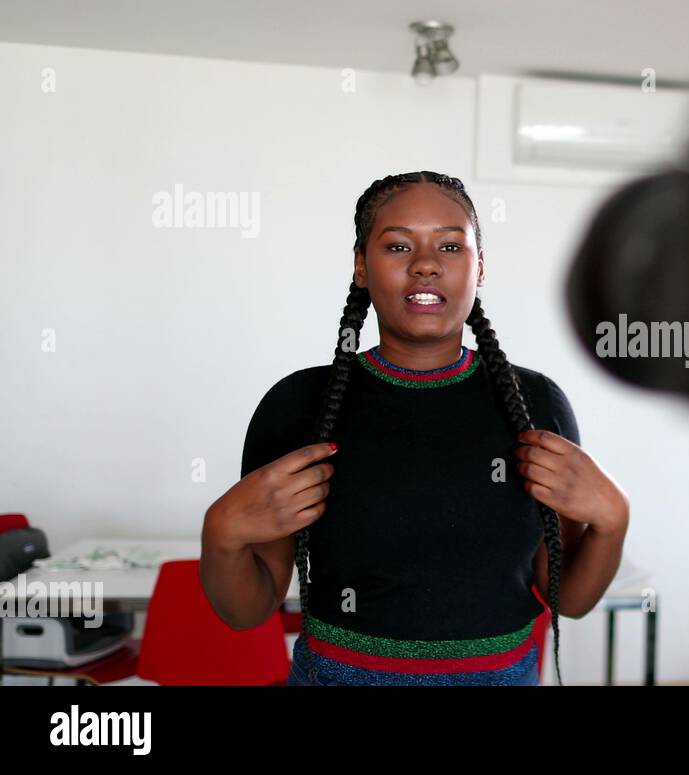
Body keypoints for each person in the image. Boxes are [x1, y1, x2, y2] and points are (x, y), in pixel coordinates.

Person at [200, 171, 630, 685]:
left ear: (480, 267)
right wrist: (221, 533)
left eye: (450, 245)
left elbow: (569, 599)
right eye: (399, 245)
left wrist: (614, 518)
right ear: (362, 266)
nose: (426, 264)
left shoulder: (535, 404)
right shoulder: (297, 405)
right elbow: (245, 611)